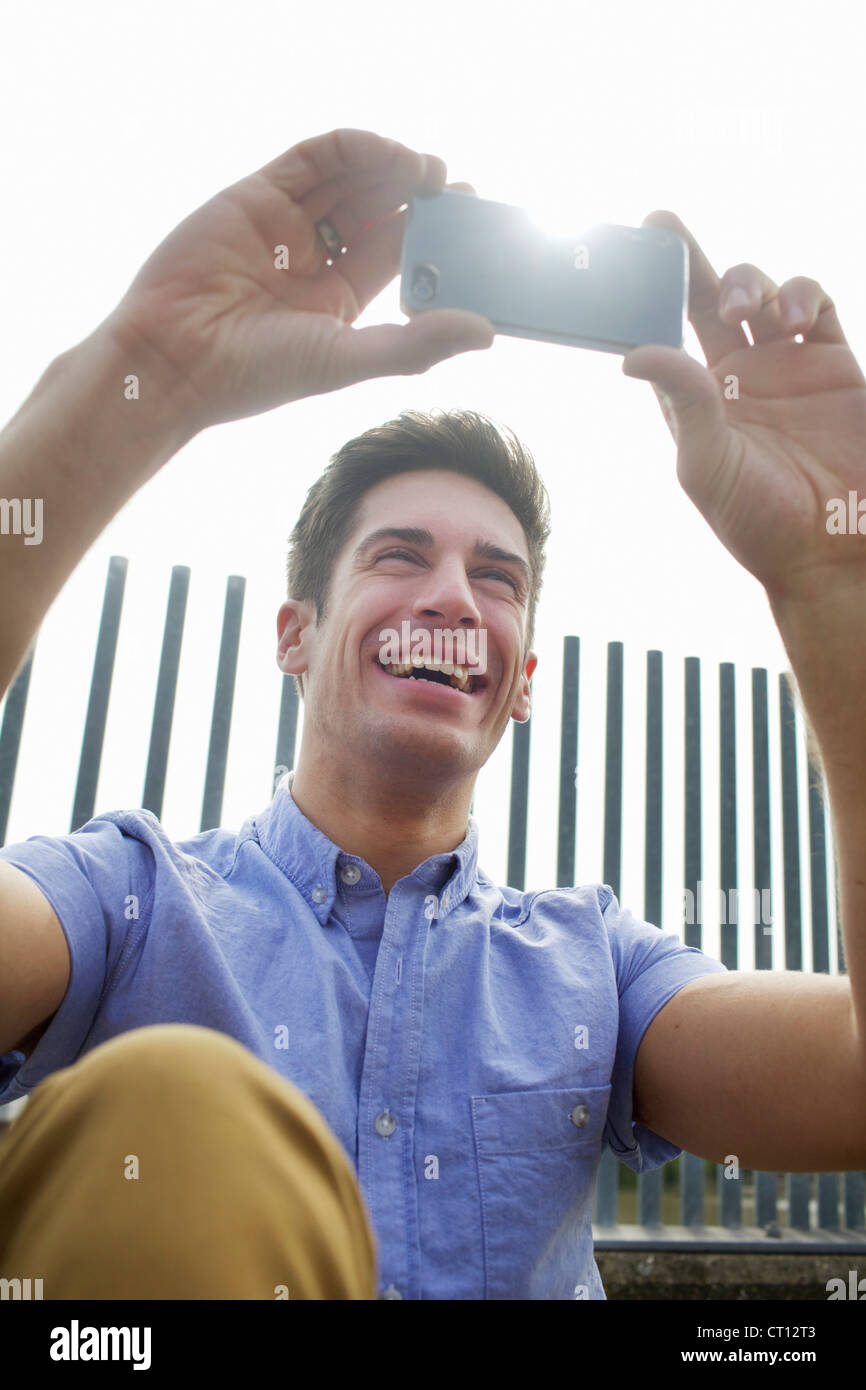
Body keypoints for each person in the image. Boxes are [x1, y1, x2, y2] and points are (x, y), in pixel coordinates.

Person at [0, 128, 864, 1301]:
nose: (453, 596)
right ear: (293, 632)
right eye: (399, 556)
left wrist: (834, 586)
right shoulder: (128, 898)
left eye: (496, 579)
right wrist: (137, 377)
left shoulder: (595, 969)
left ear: (522, 680)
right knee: (177, 1110)